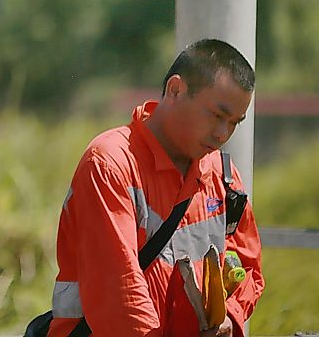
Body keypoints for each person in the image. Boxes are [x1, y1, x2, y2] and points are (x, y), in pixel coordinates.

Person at [47, 38, 263, 336]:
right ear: (175, 90)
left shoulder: (222, 175)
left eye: (234, 123)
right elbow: (121, 295)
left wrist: (231, 316)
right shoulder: (111, 164)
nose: (222, 134)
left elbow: (248, 266)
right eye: (216, 115)